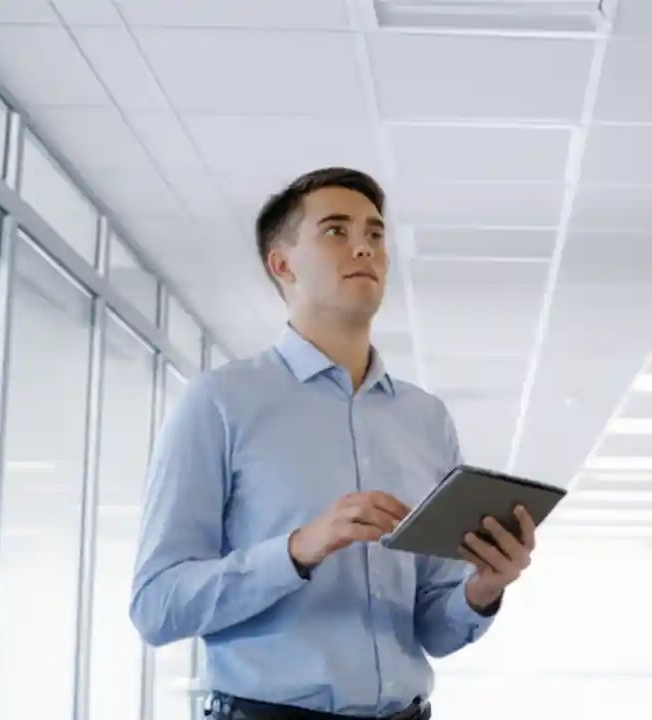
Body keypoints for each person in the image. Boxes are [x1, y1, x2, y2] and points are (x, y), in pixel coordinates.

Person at [129, 167, 537, 720]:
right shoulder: (219, 403)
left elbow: (435, 629)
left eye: (374, 234)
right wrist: (298, 549)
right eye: (336, 232)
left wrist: (482, 588)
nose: (364, 248)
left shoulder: (426, 419)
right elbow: (156, 607)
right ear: (283, 263)